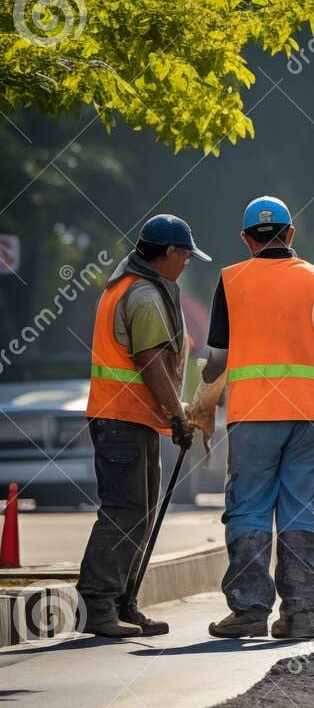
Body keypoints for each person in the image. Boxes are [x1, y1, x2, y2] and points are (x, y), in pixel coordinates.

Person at [190, 196, 314, 640]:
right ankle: (302, 614)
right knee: (299, 509)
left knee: (250, 507)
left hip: (253, 416)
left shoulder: (231, 282)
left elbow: (216, 361)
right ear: (290, 235)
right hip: (311, 415)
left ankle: (251, 609)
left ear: (245, 239)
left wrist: (202, 400)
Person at [78, 215, 207, 638]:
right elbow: (151, 363)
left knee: (139, 512)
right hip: (122, 419)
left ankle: (121, 601)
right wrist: (177, 414)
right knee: (125, 512)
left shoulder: (129, 285)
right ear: (169, 253)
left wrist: (173, 410)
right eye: (185, 253)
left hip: (129, 418)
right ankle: (98, 604)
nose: (188, 261)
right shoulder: (145, 295)